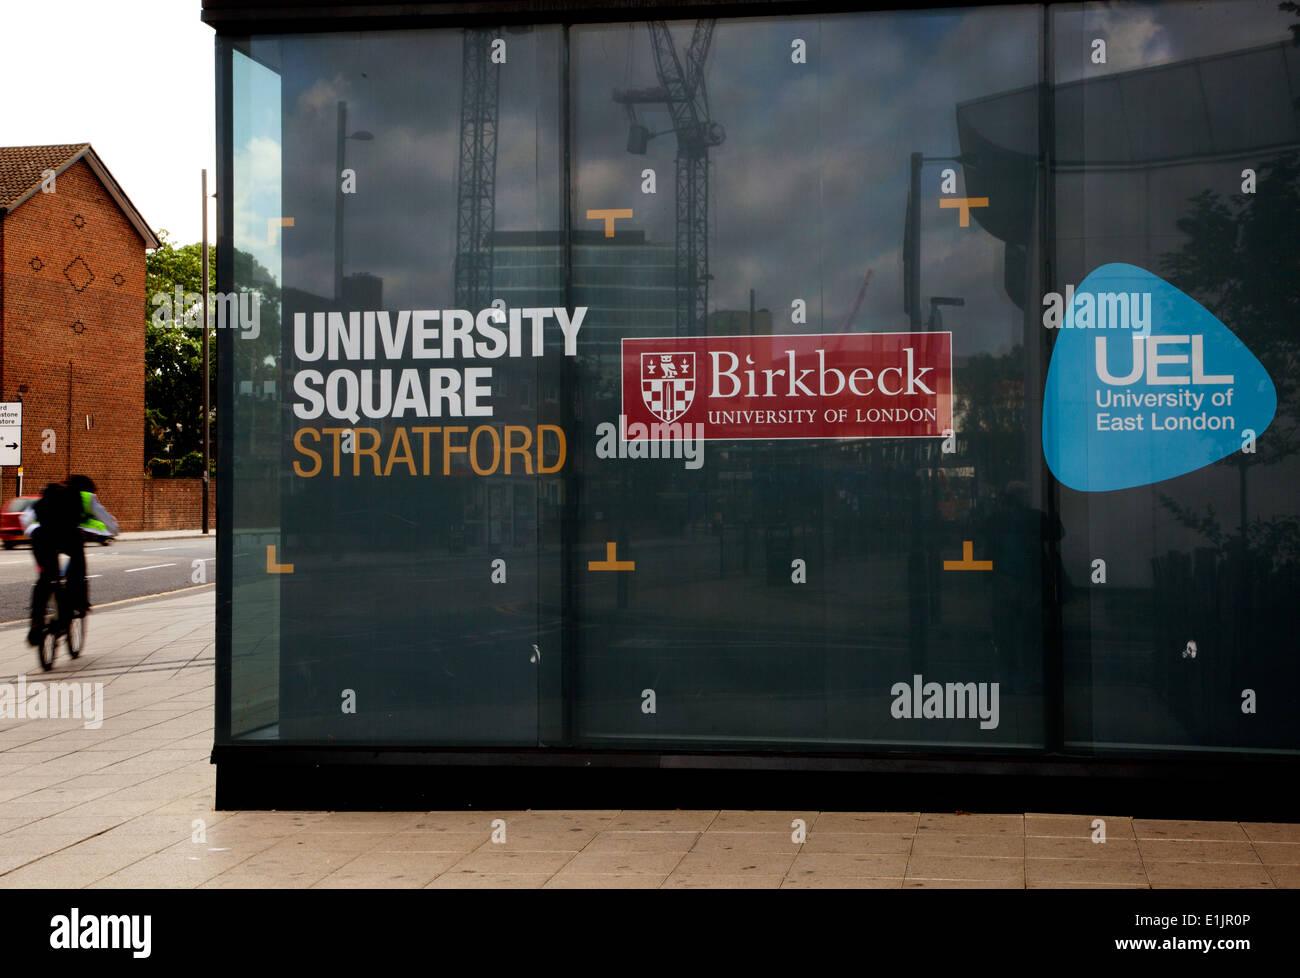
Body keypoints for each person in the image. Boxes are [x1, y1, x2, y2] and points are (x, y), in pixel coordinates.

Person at [21, 475, 118, 645]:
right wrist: (112, 532)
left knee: (45, 578)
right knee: (77, 565)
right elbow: (109, 523)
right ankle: (79, 603)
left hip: (41, 537)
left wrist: (32, 533)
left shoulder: (49, 492)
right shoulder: (87, 497)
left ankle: (36, 622)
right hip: (67, 535)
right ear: (88, 488)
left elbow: (26, 519)